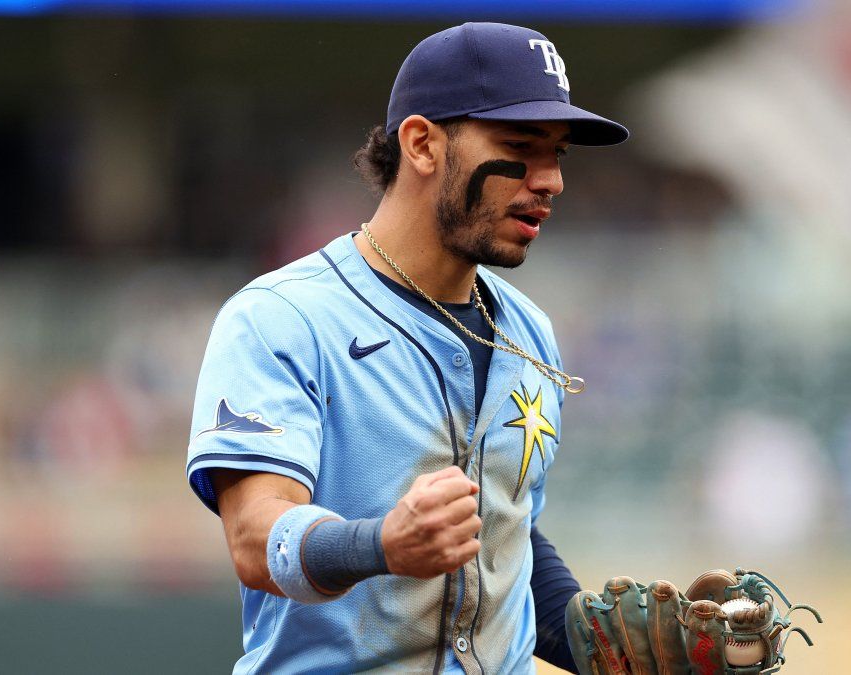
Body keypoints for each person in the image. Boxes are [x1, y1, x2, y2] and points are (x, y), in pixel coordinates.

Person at [186, 22, 628, 673]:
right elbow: (256, 537)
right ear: (422, 143)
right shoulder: (282, 318)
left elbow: (505, 540)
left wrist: (609, 651)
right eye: (521, 145)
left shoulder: (529, 333)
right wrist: (381, 544)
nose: (551, 180)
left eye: (558, 153)